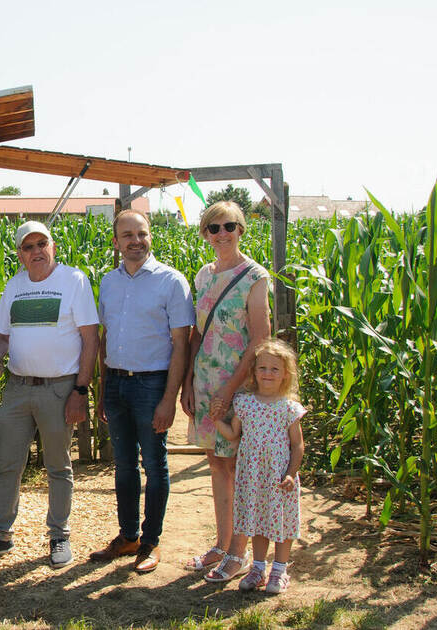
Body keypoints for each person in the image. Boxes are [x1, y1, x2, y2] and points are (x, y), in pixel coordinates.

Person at [0, 220, 99, 569]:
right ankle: (0, 536)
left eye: (43, 243)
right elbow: (3, 337)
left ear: (53, 246)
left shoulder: (74, 281)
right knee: (8, 465)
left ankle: (59, 535)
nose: (37, 251)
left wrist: (80, 392)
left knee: (58, 466)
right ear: (20, 254)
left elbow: (90, 339)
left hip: (59, 389)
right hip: (17, 388)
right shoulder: (15, 285)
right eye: (29, 246)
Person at [90, 210, 193, 573]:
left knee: (154, 464)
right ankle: (128, 536)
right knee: (124, 466)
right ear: (116, 242)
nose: (136, 241)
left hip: (152, 383)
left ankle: (150, 542)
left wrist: (169, 397)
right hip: (117, 382)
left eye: (142, 234)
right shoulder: (108, 282)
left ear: (150, 237)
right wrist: (104, 390)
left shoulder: (171, 281)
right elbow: (105, 339)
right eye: (127, 235)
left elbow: (182, 344)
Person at [179, 201, 271, 583]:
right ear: (204, 233)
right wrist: (187, 381)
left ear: (241, 230)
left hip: (239, 386)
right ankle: (221, 542)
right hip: (205, 382)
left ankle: (238, 552)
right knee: (216, 463)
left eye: (229, 226)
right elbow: (197, 332)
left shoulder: (255, 276)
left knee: (236, 467)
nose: (222, 234)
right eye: (214, 227)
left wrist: (231, 391)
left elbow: (260, 340)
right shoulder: (203, 275)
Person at [215, 338, 304, 594]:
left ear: (285, 374)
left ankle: (279, 570)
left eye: (275, 369)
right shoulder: (245, 403)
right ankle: (258, 568)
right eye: (262, 368)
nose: (268, 374)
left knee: (282, 522)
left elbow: (298, 445)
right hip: (253, 477)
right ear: (254, 371)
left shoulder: (289, 408)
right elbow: (233, 434)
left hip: (279, 477)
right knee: (258, 521)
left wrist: (290, 473)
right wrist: (215, 419)